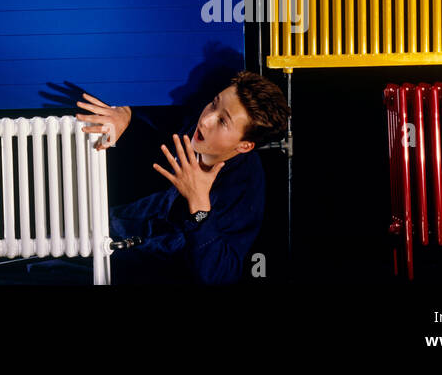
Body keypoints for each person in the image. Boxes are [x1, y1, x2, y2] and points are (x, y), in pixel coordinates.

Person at [76, 71, 289, 284]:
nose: (206, 119)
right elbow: (155, 114)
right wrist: (126, 115)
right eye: (214, 103)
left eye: (223, 121)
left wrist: (200, 207)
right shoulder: (193, 121)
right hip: (111, 234)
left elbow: (221, 275)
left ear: (245, 145)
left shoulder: (244, 187)